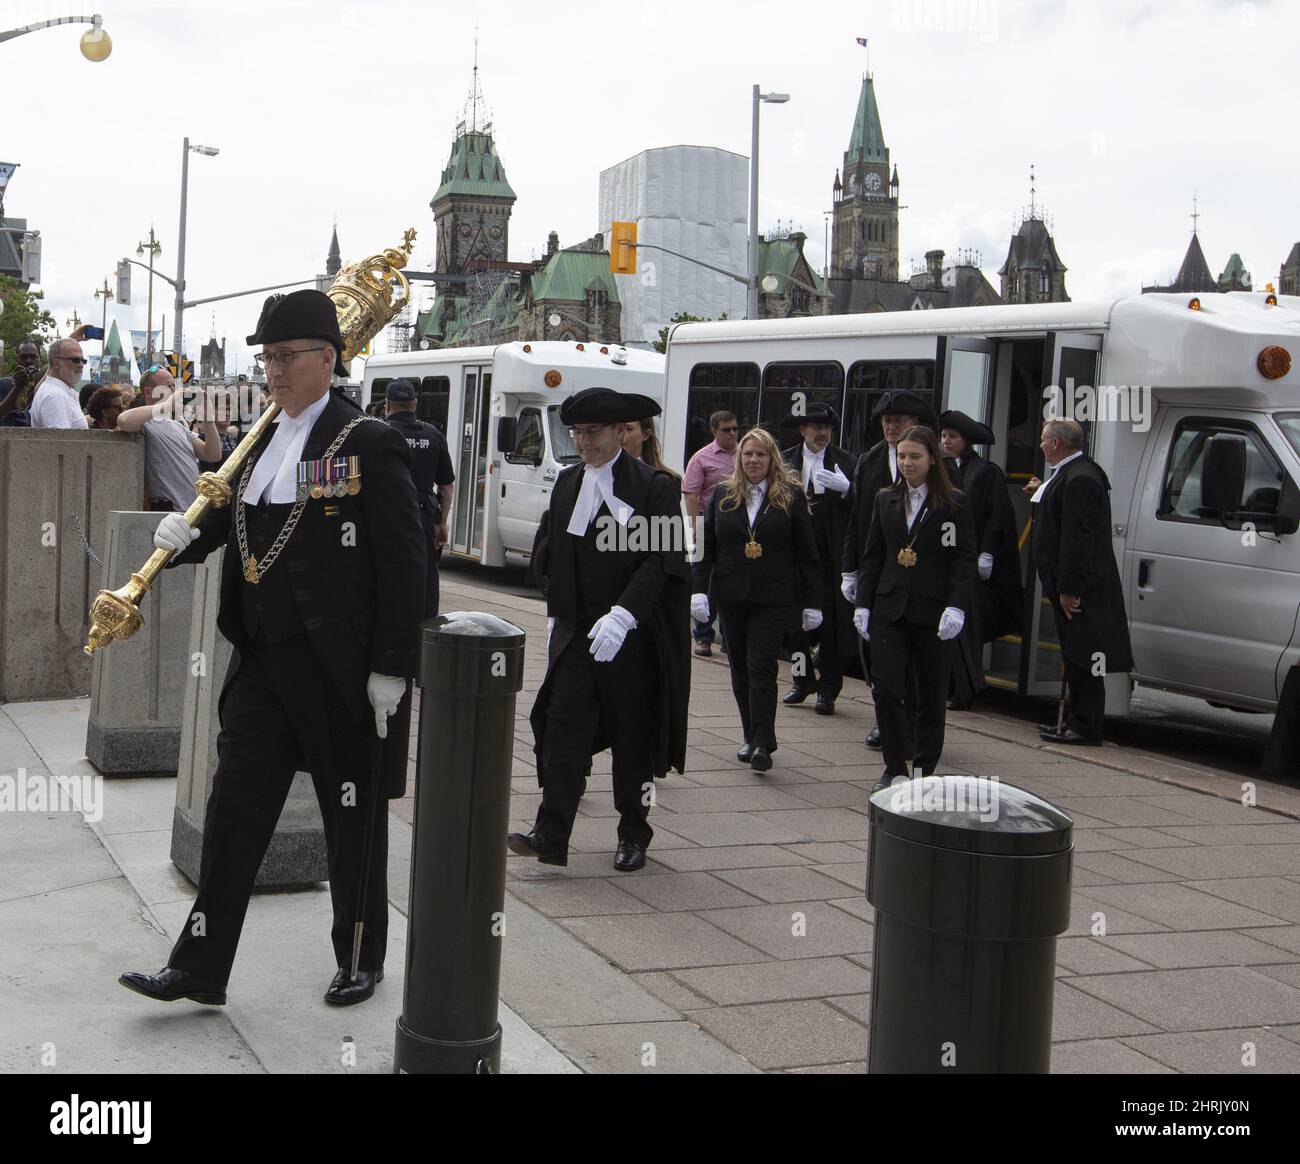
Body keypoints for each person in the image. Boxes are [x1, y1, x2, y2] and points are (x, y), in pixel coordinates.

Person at [118, 289, 425, 1008]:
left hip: (340, 672)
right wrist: (185, 538)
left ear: (327, 359)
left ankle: (359, 956)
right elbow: (234, 524)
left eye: (286, 357)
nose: (274, 371)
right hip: (261, 663)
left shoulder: (365, 441)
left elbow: (406, 564)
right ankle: (199, 964)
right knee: (233, 815)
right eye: (267, 358)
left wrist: (391, 666)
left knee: (352, 816)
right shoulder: (260, 441)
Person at [510, 387, 691, 872]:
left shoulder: (655, 487)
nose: (583, 441)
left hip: (630, 638)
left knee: (634, 739)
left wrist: (624, 614)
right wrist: (557, 618)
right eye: (577, 433)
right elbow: (556, 557)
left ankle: (634, 830)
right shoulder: (568, 482)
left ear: (619, 432)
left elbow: (661, 562)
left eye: (592, 432)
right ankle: (551, 831)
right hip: (577, 635)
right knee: (562, 732)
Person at [693, 427, 821, 771]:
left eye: (761, 454)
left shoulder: (789, 495)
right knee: (739, 669)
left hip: (774, 596)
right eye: (748, 454)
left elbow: (808, 553)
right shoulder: (722, 494)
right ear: (739, 458)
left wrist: (812, 602)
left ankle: (763, 743)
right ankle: (751, 734)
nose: (754, 460)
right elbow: (707, 547)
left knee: (761, 665)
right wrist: (698, 591)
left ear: (771, 459)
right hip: (730, 594)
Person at [854, 426, 975, 791]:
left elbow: (962, 560)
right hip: (890, 609)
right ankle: (894, 767)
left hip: (933, 612)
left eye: (915, 457)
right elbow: (874, 555)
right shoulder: (885, 499)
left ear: (932, 459)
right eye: (902, 456)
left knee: (930, 694)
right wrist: (863, 603)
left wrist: (956, 607)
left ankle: (923, 771)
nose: (907, 463)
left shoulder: (953, 503)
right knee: (887, 688)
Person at [1030, 418, 1133, 745]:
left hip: (1081, 590)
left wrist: (1068, 589)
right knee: (1076, 656)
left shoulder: (1080, 479)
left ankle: (1086, 726)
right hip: (1074, 585)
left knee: (1084, 658)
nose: (1042, 446)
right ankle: (1075, 720)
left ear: (1057, 443)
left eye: (1045, 440)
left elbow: (1078, 540)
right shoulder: (1074, 473)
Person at [842, 390, 936, 748]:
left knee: (914, 660)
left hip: (917, 577)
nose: (890, 427)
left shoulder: (935, 465)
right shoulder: (868, 461)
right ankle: (888, 720)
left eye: (898, 421)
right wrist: (849, 569)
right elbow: (857, 518)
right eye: (885, 421)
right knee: (881, 656)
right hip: (878, 570)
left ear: (915, 426)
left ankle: (913, 723)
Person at [939, 410, 1024, 708]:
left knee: (966, 627)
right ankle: (947, 685)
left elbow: (996, 516)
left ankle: (964, 690)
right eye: (944, 436)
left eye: (953, 436)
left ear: (966, 441)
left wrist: (987, 552)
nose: (946, 441)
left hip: (971, 558)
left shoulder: (986, 472)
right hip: (946, 557)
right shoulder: (942, 468)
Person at [781, 403, 858, 715]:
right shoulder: (785, 461)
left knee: (832, 630)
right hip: (795, 558)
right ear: (803, 430)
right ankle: (802, 681)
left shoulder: (847, 462)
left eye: (827, 428)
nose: (823, 433)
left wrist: (847, 490)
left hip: (830, 559)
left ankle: (828, 688)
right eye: (816, 427)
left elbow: (865, 505)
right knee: (795, 628)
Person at [384, 378, 455, 618]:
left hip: (388, 518)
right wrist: (442, 523)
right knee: (425, 578)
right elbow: (446, 484)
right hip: (424, 517)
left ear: (387, 405)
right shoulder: (433, 434)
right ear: (414, 404)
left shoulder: (380, 432)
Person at [116, 366, 222, 511]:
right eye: (168, 386)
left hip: (194, 511)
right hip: (169, 514)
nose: (174, 391)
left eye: (174, 386)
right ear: (148, 391)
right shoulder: (145, 422)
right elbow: (123, 420)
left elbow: (212, 454)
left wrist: (208, 421)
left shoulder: (178, 424)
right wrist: (166, 405)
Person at [682, 410, 740, 656]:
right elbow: (691, 494)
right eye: (727, 430)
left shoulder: (745, 454)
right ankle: (703, 636)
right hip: (708, 526)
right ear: (714, 431)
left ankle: (729, 638)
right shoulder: (701, 458)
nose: (733, 434)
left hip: (736, 527)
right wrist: (695, 527)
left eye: (735, 428)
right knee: (704, 579)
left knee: (730, 580)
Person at [29, 339, 90, 429]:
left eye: (83, 361)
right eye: (75, 360)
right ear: (56, 363)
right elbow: (60, 441)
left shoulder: (60, 391)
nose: (81, 365)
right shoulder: (56, 396)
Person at [0, 339, 42, 422]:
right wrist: (16, 387)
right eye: (23, 357)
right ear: (17, 359)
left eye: (33, 357)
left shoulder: (45, 385)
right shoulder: (3, 384)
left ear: (39, 359)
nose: (28, 361)